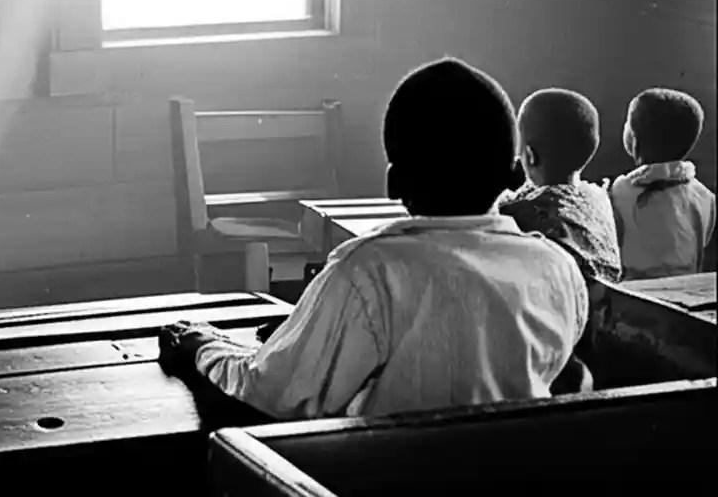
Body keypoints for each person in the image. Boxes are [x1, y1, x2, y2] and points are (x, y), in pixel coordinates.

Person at [159, 58, 589, 419]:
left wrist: (203, 346)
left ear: (394, 182)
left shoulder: (366, 272)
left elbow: (270, 392)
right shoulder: (558, 269)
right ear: (513, 174)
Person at [498, 88, 621, 284]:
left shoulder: (522, 213)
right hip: (608, 296)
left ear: (529, 156)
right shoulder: (599, 196)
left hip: (559, 299)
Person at [610, 88, 716, 279]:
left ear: (633, 140)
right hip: (686, 292)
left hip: (633, 294)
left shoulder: (619, 193)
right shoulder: (705, 197)